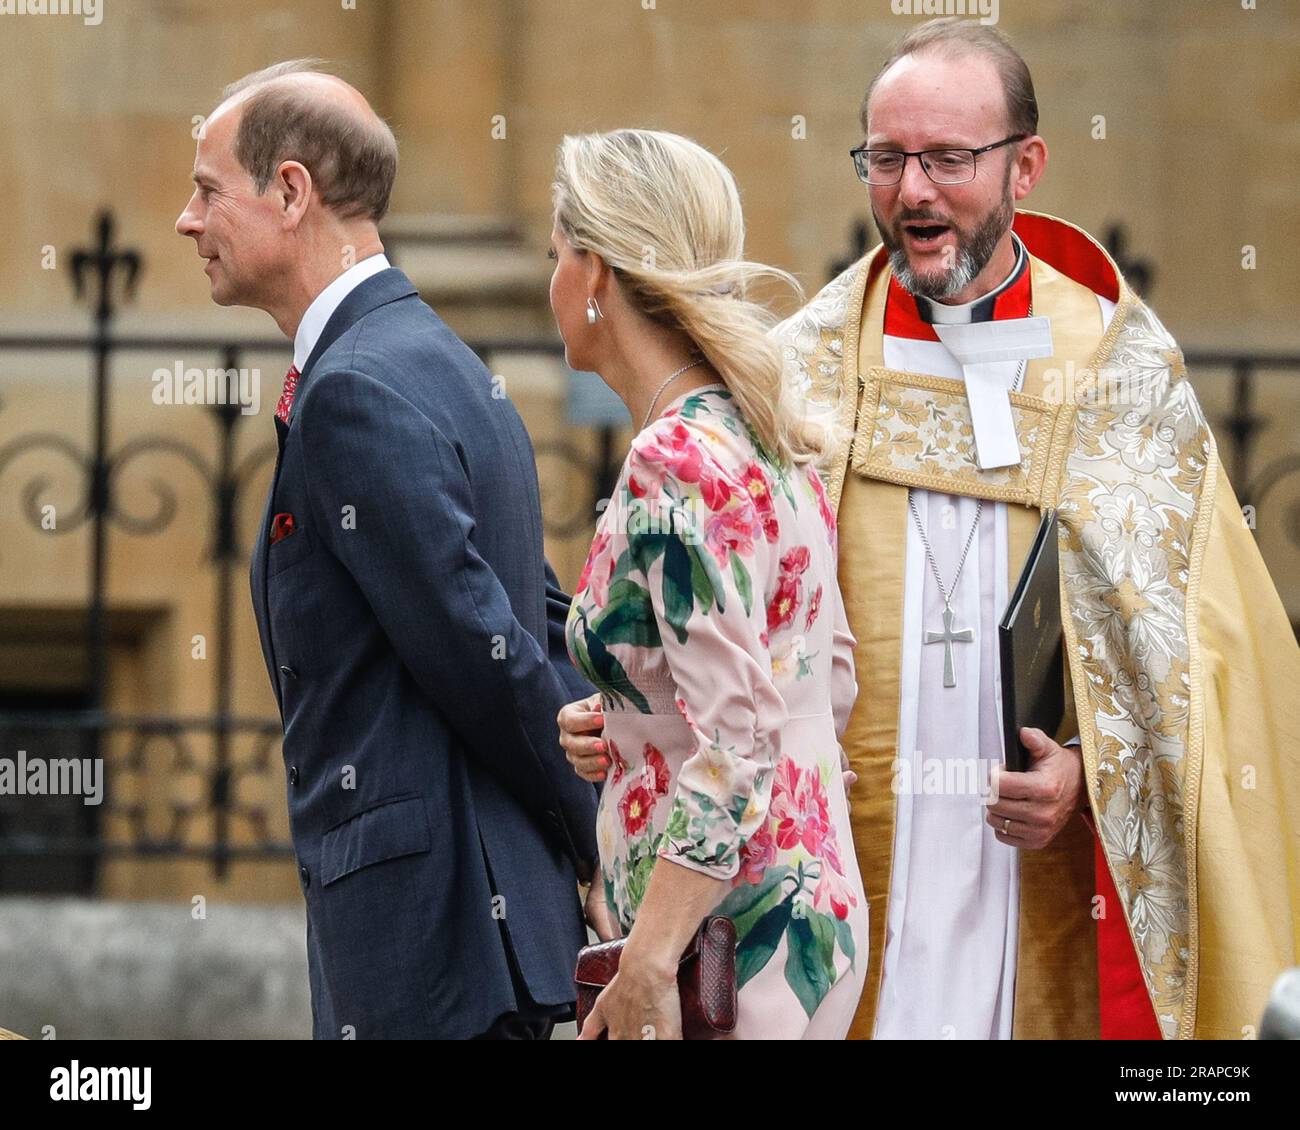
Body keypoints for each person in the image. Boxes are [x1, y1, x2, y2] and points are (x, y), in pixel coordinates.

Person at [774, 18, 1300, 1038]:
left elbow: (1198, 664)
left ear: (1027, 164)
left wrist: (1082, 766)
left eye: (948, 159)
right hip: (852, 842)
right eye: (887, 159)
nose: (913, 192)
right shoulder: (802, 372)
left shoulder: (1114, 372)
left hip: (1035, 874)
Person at [176, 60, 598, 1039]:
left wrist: (598, 844)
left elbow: (483, 642)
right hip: (469, 953)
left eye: (206, 190)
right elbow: (531, 626)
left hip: (435, 963)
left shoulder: (357, 387)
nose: (187, 222)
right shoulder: (433, 355)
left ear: (291, 192)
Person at [551, 129, 868, 1040]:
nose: (551, 284)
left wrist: (649, 960)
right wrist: (625, 718)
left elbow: (735, 735)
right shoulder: (771, 434)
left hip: (716, 942)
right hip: (805, 901)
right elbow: (821, 675)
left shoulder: (674, 459)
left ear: (597, 272)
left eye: (554, 254)